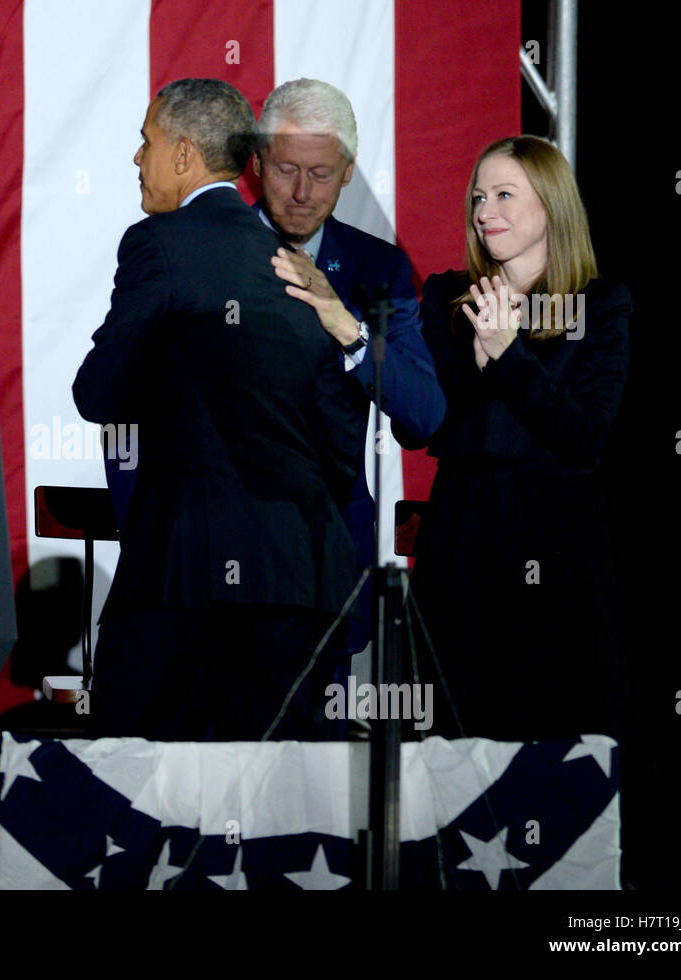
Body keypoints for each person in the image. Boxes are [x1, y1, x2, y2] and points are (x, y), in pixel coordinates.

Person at [73, 78, 365, 741]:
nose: (136, 160)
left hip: (187, 582)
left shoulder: (161, 243)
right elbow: (343, 443)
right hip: (303, 580)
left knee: (143, 799)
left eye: (146, 143)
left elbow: (100, 392)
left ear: (182, 154)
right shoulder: (299, 268)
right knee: (283, 813)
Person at [395, 135, 630, 741]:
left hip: (558, 551)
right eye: (478, 196)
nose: (484, 211)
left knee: (549, 742)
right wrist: (473, 363)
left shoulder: (598, 306)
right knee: (450, 735)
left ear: (551, 205)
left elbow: (585, 439)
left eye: (504, 195)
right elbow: (424, 427)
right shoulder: (449, 296)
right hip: (461, 545)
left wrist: (506, 354)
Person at [263, 78, 445, 665]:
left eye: (320, 174)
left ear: (347, 171)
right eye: (286, 168)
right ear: (258, 160)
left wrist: (350, 329)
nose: (299, 192)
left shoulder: (377, 268)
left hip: (330, 561)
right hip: (217, 569)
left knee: (323, 755)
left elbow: (425, 416)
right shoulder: (201, 252)